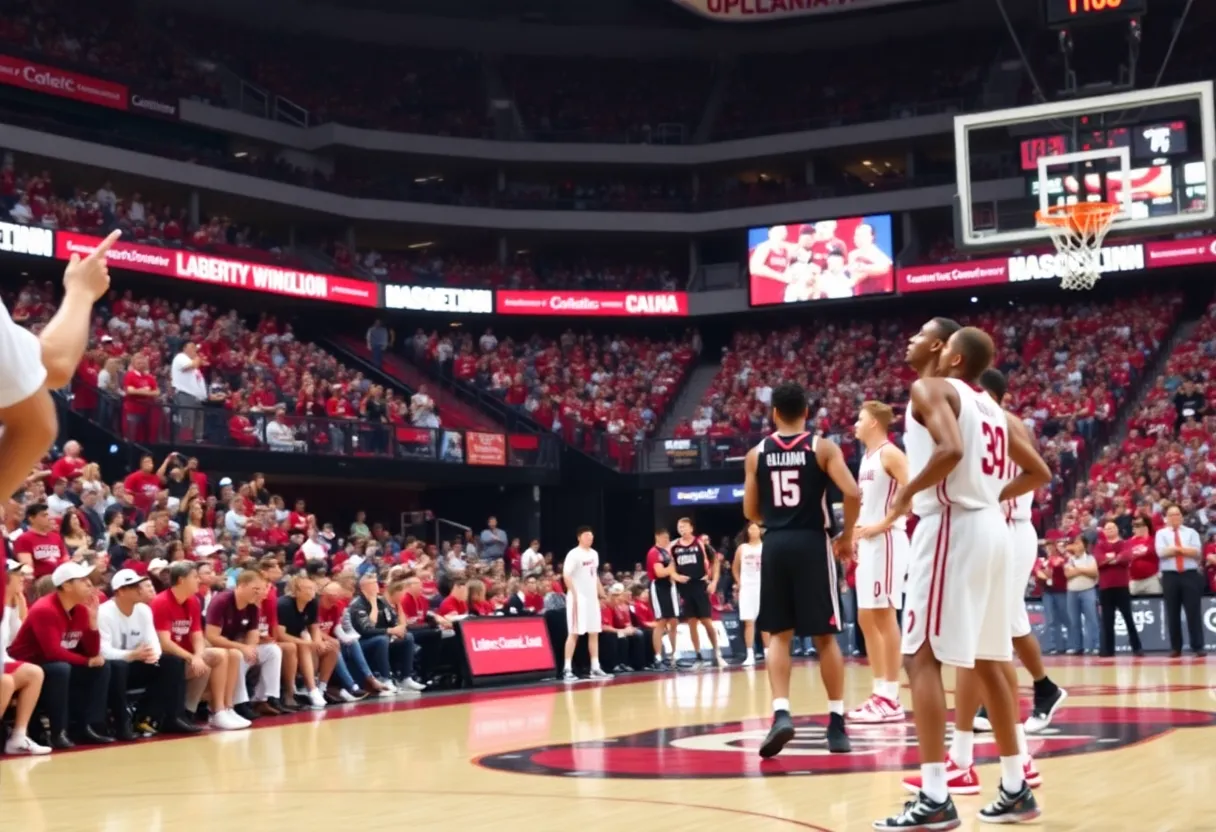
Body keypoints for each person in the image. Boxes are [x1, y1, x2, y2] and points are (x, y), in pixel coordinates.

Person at [873, 323, 1048, 830]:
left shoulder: (929, 388)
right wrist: (989, 494)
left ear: (946, 353)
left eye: (921, 335)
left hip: (951, 524)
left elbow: (948, 450)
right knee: (991, 661)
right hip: (993, 529)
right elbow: (1039, 472)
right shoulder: (993, 406)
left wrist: (907, 495)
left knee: (920, 658)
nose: (909, 340)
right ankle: (1014, 787)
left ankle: (934, 795)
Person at [912, 367, 1060, 799]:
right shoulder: (1003, 422)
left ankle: (991, 759)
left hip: (998, 526)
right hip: (1000, 529)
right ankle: (997, 759)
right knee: (988, 648)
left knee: (987, 648)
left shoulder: (988, 419)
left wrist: (983, 497)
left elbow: (1030, 472)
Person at [743, 381, 858, 759]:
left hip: (776, 544)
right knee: (825, 637)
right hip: (812, 541)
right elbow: (852, 492)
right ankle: (836, 723)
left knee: (779, 635)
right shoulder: (821, 447)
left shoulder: (757, 453)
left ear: (774, 413)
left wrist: (775, 518)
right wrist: (846, 536)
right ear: (807, 412)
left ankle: (781, 713)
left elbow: (750, 512)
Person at [7, 561, 112, 748]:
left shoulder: (81, 610)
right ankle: (58, 732)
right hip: (28, 665)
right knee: (61, 669)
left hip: (56, 664)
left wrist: (93, 623)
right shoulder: (45, 609)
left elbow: (92, 652)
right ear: (66, 586)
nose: (89, 583)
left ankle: (87, 726)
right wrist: (87, 661)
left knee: (102, 667)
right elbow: (52, 652)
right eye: (82, 580)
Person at [848, 401, 909, 724]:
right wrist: (856, 533)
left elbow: (911, 493)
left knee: (884, 615)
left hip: (887, 540)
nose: (855, 424)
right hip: (869, 542)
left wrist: (881, 525)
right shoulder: (867, 457)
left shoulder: (891, 454)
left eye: (860, 419)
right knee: (865, 618)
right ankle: (878, 691)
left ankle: (891, 696)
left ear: (874, 422)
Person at [99, 569, 202, 737]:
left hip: (138, 661)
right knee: (119, 666)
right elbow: (103, 651)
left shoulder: (143, 610)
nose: (140, 589)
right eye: (134, 586)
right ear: (120, 591)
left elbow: (154, 642)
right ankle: (121, 723)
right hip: (113, 669)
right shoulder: (104, 613)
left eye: (139, 585)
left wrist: (151, 655)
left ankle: (164, 717)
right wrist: (131, 655)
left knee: (172, 662)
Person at [148, 562, 241, 730]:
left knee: (219, 655)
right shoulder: (161, 602)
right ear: (181, 580)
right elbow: (164, 643)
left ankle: (216, 710)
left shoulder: (192, 601)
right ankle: (190, 712)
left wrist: (198, 655)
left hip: (186, 657)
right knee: (204, 661)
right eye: (195, 577)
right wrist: (192, 657)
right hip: (166, 662)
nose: (199, 580)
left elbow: (197, 634)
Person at [205, 569, 284, 720]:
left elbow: (253, 632)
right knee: (238, 654)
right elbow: (211, 636)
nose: (259, 593)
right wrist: (243, 647)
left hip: (238, 645)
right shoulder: (221, 601)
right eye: (256, 589)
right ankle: (239, 702)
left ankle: (263, 698)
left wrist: (251, 648)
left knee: (273, 650)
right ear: (241, 586)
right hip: (217, 647)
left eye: (262, 589)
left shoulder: (253, 605)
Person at [671, 517, 724, 670]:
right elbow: (670, 566)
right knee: (692, 623)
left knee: (707, 622)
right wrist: (675, 576)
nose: (682, 529)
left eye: (684, 526)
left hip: (700, 585)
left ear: (691, 528)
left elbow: (715, 561)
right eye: (680, 527)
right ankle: (698, 656)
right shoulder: (674, 547)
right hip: (685, 588)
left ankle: (717, 653)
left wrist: (714, 582)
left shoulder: (700, 544)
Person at [1154, 503, 1205, 657]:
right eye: (1171, 515)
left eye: (1177, 514)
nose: (1175, 517)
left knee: (1193, 611)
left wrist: (1176, 549)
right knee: (1172, 612)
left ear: (1182, 517)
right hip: (1170, 576)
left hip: (1189, 574)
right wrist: (1184, 550)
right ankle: (1176, 647)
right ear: (1166, 518)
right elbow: (1161, 552)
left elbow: (1196, 552)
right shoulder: (1161, 534)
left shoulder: (1191, 532)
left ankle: (1198, 646)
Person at [561, 526, 609, 681]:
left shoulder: (594, 554)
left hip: (592, 599)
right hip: (578, 599)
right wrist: (574, 594)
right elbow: (566, 575)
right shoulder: (573, 554)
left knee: (594, 632)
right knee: (574, 633)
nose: (590, 538)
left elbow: (595, 576)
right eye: (587, 535)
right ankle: (567, 669)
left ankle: (595, 667)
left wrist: (602, 594)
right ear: (579, 537)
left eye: (591, 535)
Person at [1094, 519, 1142, 657]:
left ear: (1117, 530)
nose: (1110, 530)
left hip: (1122, 586)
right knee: (1107, 620)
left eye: (1112, 528)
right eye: (1107, 528)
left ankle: (1137, 648)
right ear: (1104, 532)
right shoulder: (1099, 545)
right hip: (1106, 587)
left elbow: (1126, 557)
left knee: (1128, 618)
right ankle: (1108, 650)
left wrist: (1111, 559)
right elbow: (1099, 561)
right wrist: (1114, 559)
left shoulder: (1125, 543)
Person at [644, 528, 680, 670]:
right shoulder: (654, 552)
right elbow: (659, 573)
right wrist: (671, 569)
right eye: (664, 537)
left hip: (670, 587)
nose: (666, 540)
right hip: (659, 587)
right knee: (661, 621)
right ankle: (658, 657)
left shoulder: (667, 552)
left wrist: (676, 575)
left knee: (674, 621)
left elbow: (672, 572)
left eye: (668, 537)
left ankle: (673, 656)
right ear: (657, 537)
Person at [731, 522, 765, 668]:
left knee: (766, 622)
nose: (753, 531)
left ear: (760, 531)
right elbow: (735, 568)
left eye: (756, 528)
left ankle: (768, 652)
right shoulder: (742, 548)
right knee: (749, 622)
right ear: (747, 531)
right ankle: (750, 654)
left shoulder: (765, 546)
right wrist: (739, 582)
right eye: (751, 528)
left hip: (763, 587)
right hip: (747, 588)